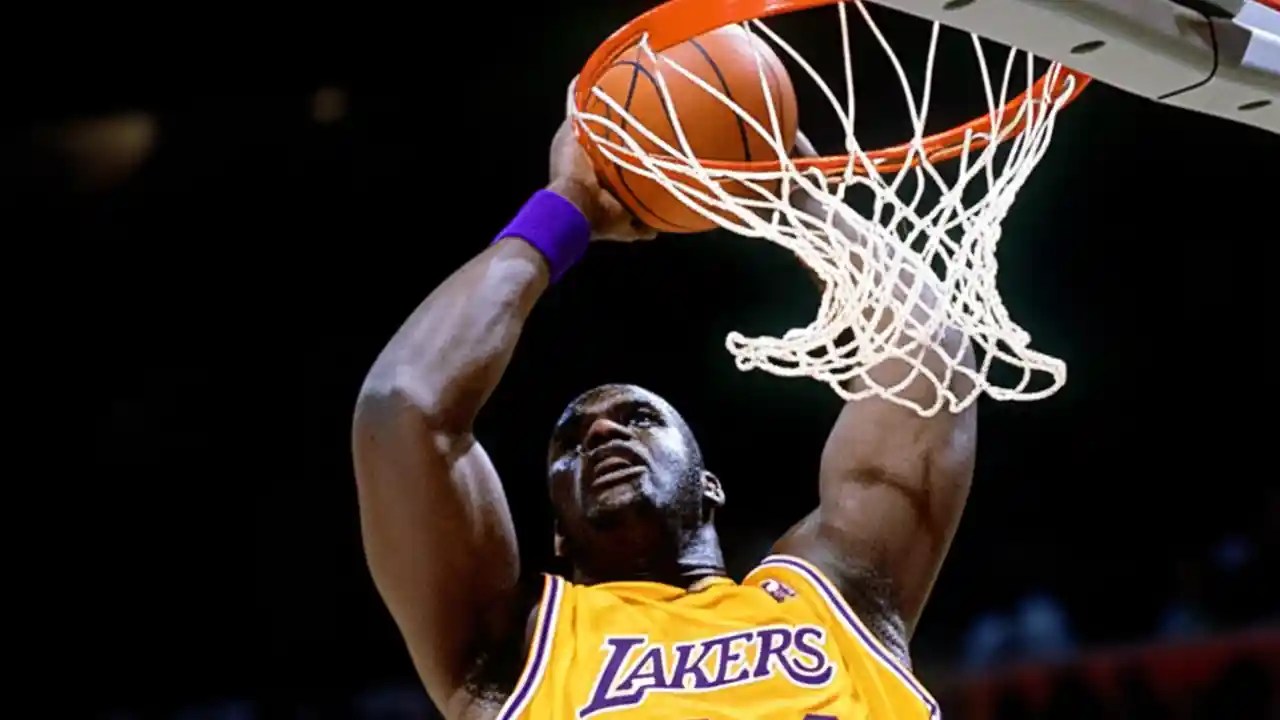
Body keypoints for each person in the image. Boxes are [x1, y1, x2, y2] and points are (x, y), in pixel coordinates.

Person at [351, 115, 977, 720]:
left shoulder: (837, 595)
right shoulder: (514, 650)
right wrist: (565, 206)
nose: (600, 432)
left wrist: (795, 206)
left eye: (641, 418)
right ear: (558, 535)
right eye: (569, 442)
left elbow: (929, 367)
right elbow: (403, 406)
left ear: (710, 487)